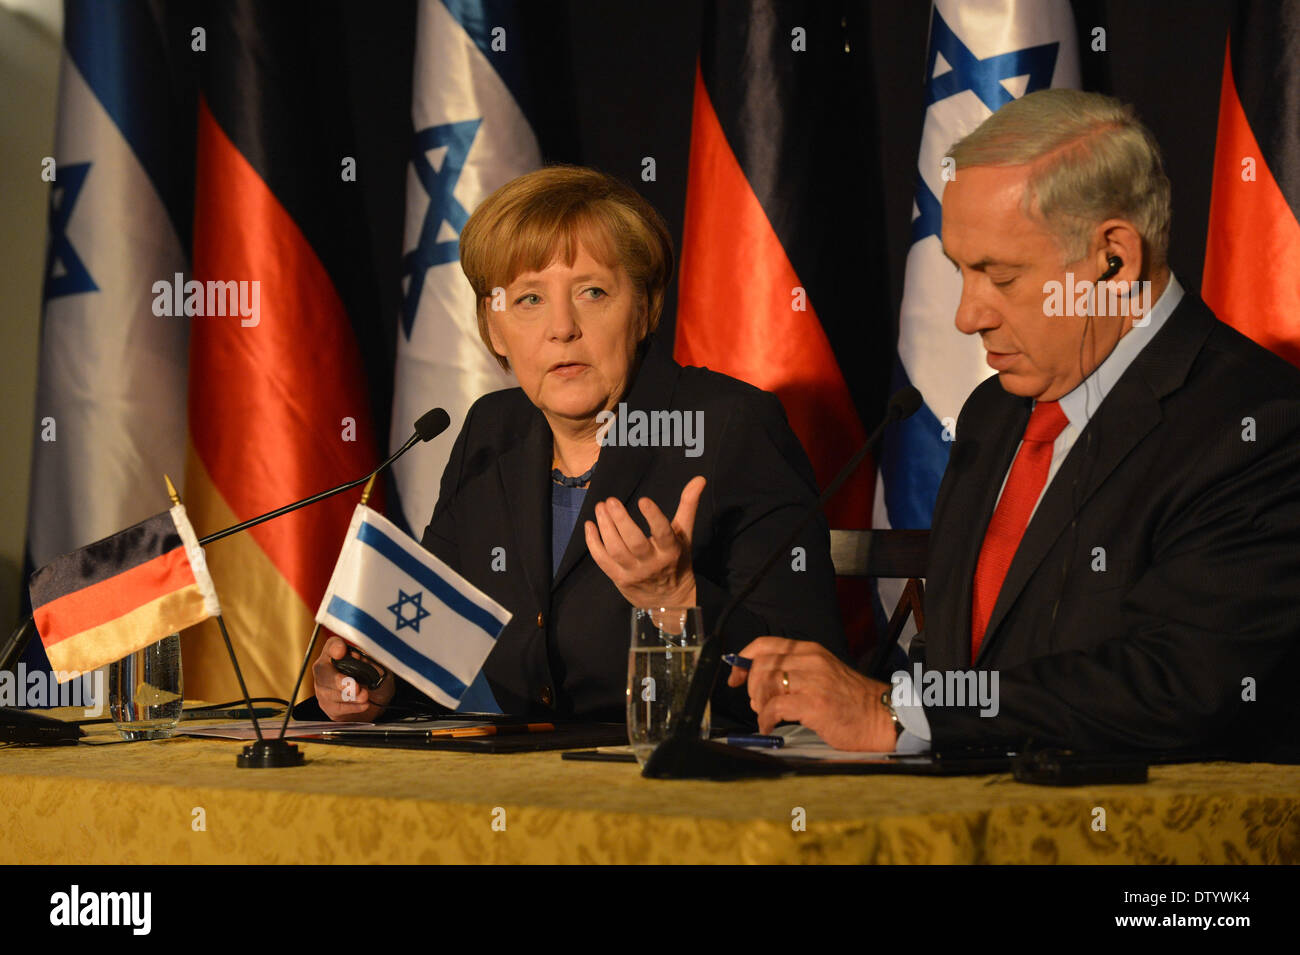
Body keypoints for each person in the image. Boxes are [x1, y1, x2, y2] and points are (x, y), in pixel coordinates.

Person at [729, 89, 1300, 758]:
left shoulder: (1257, 426)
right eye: (960, 271)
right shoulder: (994, 412)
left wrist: (896, 710)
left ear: (1112, 259)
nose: (968, 316)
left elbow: (1174, 685)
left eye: (998, 276)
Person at [313, 165, 847, 723]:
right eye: (528, 300)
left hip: (670, 788)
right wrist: (377, 680)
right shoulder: (492, 431)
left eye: (592, 292)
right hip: (512, 784)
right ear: (494, 329)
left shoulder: (729, 427)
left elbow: (809, 672)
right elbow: (443, 642)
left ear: (643, 309)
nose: (561, 327)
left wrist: (678, 602)